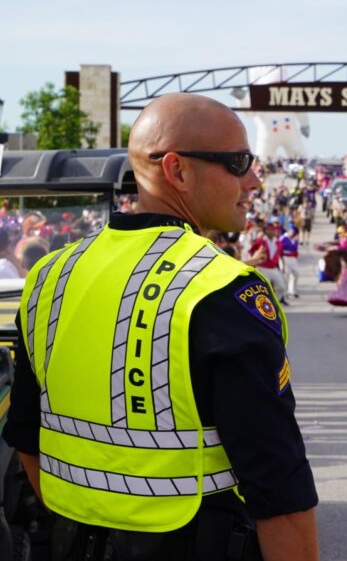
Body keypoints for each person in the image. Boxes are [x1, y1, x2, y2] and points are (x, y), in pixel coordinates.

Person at [2, 93, 319, 560]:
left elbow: (28, 437)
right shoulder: (221, 291)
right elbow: (279, 485)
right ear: (176, 170)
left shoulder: (53, 274)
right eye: (238, 162)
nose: (254, 180)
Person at [245, 221, 288, 304]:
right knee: (265, 287)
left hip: (273, 268)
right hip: (262, 267)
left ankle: (274, 303)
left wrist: (282, 267)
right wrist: (253, 261)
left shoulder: (278, 242)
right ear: (266, 231)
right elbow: (251, 250)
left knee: (281, 287)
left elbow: (280, 255)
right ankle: (262, 304)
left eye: (272, 230)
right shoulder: (260, 241)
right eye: (268, 230)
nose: (270, 231)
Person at [280, 227, 301, 299]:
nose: (292, 234)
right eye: (291, 232)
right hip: (285, 258)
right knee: (286, 275)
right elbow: (280, 248)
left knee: (296, 274)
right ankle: (284, 293)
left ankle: (292, 290)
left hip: (293, 258)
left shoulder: (294, 239)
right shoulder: (283, 238)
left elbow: (295, 248)